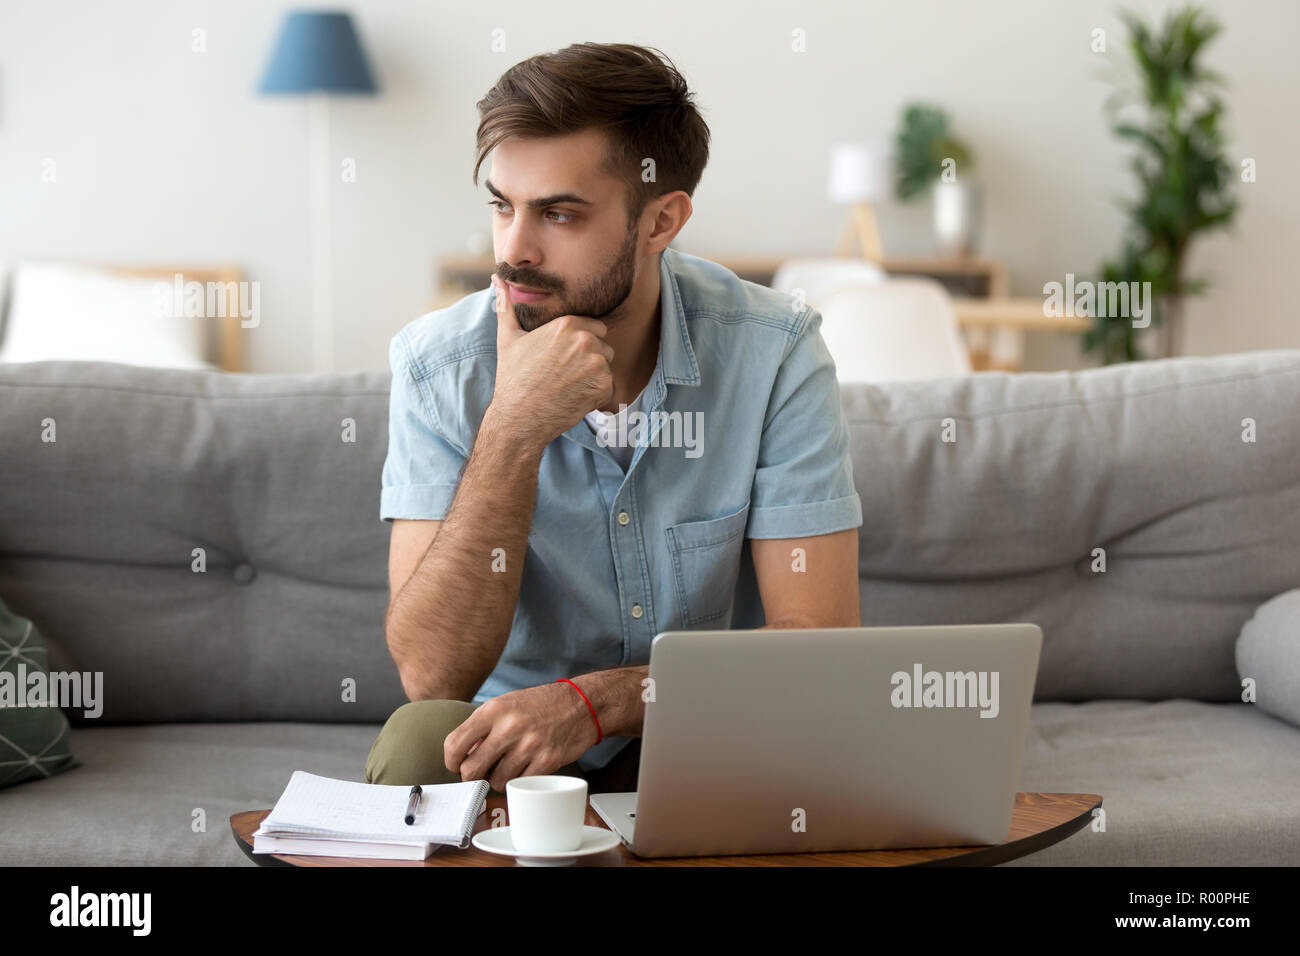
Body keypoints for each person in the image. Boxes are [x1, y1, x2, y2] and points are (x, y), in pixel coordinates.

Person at [364, 42, 862, 797]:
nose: (513, 251)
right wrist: (513, 426)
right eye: (502, 206)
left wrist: (602, 702)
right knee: (416, 744)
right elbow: (433, 676)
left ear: (662, 220)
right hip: (512, 745)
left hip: (707, 726)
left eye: (558, 213)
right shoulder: (440, 367)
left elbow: (819, 642)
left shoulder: (774, 353)